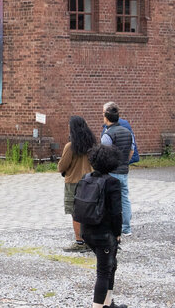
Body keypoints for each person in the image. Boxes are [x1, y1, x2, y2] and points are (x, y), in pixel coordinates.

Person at [77, 144, 125, 308]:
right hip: (103, 233)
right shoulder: (112, 182)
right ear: (113, 163)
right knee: (104, 271)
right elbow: (116, 213)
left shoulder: (86, 178)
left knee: (111, 264)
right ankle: (98, 306)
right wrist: (118, 233)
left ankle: (108, 303)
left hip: (86, 230)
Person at [58, 115, 96, 251]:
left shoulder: (70, 146)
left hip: (73, 182)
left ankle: (79, 242)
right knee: (88, 211)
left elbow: (62, 166)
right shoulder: (92, 144)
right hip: (90, 181)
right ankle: (90, 240)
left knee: (75, 213)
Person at [99, 102, 133, 234]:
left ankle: (111, 228)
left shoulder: (108, 134)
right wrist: (124, 163)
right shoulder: (127, 132)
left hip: (112, 172)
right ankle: (126, 228)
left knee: (109, 200)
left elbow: (104, 155)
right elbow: (131, 150)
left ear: (106, 118)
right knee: (124, 198)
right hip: (124, 170)